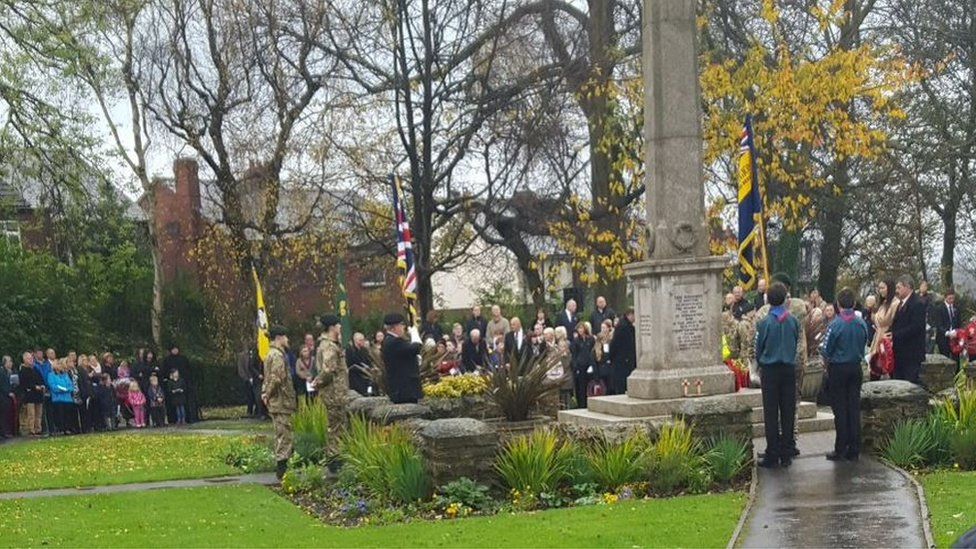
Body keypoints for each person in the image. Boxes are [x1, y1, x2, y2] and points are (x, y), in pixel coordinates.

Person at [755, 282, 801, 468]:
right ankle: (786, 453)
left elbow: (759, 348)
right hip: (789, 369)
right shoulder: (793, 321)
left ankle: (772, 452)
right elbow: (795, 341)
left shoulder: (764, 323)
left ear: (768, 300)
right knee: (788, 411)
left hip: (771, 370)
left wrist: (762, 362)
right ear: (784, 299)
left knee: (771, 412)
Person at [821, 287, 869, 462]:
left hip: (839, 368)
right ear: (854, 304)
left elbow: (826, 349)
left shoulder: (835, 324)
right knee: (854, 407)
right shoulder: (861, 323)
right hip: (855, 367)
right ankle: (854, 448)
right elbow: (865, 341)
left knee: (840, 409)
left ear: (838, 305)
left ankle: (840, 448)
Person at [262, 326, 296, 480]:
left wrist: (265, 393)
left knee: (281, 433)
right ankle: (282, 471)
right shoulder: (277, 356)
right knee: (284, 434)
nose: (287, 340)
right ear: (279, 338)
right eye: (285, 337)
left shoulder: (271, 354)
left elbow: (267, 377)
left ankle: (283, 468)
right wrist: (268, 393)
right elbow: (276, 377)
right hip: (281, 401)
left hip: (278, 401)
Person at [314, 314, 350, 460]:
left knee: (337, 426)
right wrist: (318, 381)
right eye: (338, 325)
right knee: (337, 427)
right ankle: (335, 459)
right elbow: (328, 369)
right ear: (332, 327)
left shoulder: (332, 345)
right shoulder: (329, 346)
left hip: (336, 393)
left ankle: (335, 456)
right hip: (334, 394)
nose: (340, 327)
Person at [889, 275, 927, 384]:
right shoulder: (900, 304)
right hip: (900, 353)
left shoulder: (917, 303)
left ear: (908, 287)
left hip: (911, 354)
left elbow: (916, 327)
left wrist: (895, 335)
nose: (896, 291)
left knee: (910, 385)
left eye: (899, 288)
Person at [382, 313, 423, 404]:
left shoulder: (391, 340)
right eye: (402, 325)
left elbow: (406, 355)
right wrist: (415, 334)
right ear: (394, 327)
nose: (404, 327)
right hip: (404, 389)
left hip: (403, 389)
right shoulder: (394, 342)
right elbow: (416, 348)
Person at [868, 278, 901, 380]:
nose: (880, 290)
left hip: (886, 339)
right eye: (879, 288)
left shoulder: (895, 303)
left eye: (883, 288)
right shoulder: (883, 303)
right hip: (877, 337)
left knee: (885, 365)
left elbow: (893, 321)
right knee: (874, 369)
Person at [609, 309, 637, 395]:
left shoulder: (626, 326)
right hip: (622, 360)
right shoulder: (623, 327)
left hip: (624, 359)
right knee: (621, 383)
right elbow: (615, 344)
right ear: (630, 315)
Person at [570, 322, 597, 408]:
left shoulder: (591, 339)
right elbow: (574, 354)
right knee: (580, 387)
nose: (580, 330)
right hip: (580, 366)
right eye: (579, 329)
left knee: (589, 385)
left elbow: (593, 352)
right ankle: (582, 404)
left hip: (589, 365)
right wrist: (575, 366)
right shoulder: (576, 341)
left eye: (581, 328)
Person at [18, 352, 44, 436]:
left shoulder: (35, 369)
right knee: (31, 414)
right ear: (24, 359)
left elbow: (40, 378)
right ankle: (31, 430)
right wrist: (34, 387)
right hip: (30, 395)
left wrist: (42, 385)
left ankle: (38, 429)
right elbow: (24, 383)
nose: (31, 360)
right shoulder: (23, 370)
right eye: (29, 358)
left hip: (38, 395)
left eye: (32, 358)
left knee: (38, 413)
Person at [47, 360, 75, 436]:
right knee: (59, 415)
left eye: (60, 364)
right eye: (58, 364)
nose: (60, 365)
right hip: (57, 398)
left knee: (67, 414)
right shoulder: (51, 375)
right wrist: (60, 389)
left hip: (67, 398)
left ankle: (67, 428)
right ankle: (60, 429)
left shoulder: (65, 375)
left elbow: (71, 385)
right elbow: (52, 386)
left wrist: (67, 389)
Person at [934, 289, 962, 358]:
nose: (951, 300)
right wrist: (948, 333)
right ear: (945, 297)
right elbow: (939, 324)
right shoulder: (939, 308)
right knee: (945, 359)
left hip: (955, 338)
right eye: (949, 298)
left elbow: (959, 322)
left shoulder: (956, 308)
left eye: (953, 298)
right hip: (943, 338)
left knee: (956, 359)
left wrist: (957, 332)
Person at [594, 319, 614, 393]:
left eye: (604, 328)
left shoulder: (611, 339)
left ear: (609, 328)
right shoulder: (599, 339)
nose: (603, 330)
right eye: (602, 328)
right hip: (601, 365)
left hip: (610, 365)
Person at [237, 348, 258, 416]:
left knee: (257, 396)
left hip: (256, 378)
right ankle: (249, 411)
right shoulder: (242, 356)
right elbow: (241, 369)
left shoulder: (257, 354)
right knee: (249, 396)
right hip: (248, 379)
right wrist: (247, 378)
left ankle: (257, 411)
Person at [0, 357, 12, 439]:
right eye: (9, 361)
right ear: (5, 363)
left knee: (5, 415)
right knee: (2, 415)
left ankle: (5, 432)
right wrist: (8, 392)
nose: (11, 363)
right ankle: (2, 433)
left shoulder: (8, 372)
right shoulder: (1, 372)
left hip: (7, 397)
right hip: (2, 397)